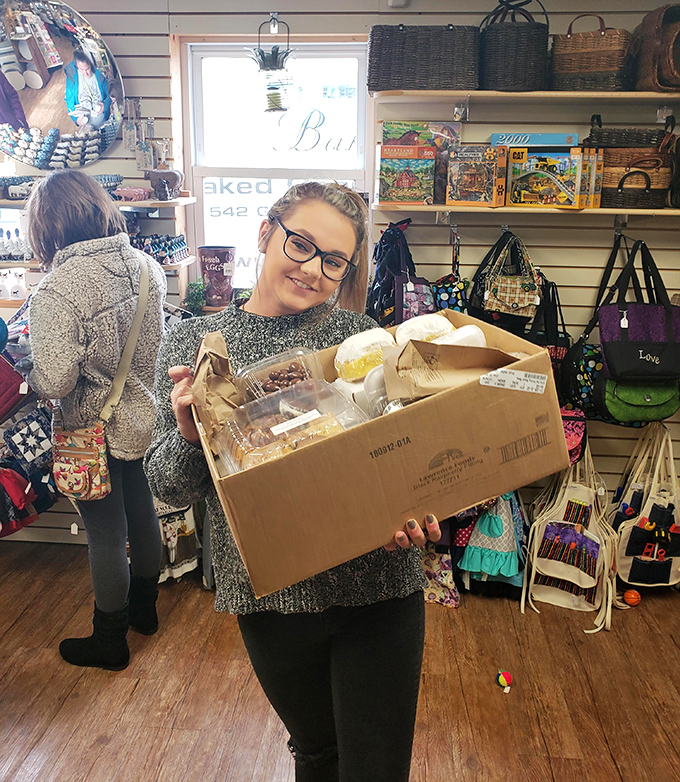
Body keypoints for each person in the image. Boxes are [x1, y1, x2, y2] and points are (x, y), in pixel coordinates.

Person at [144, 181, 441, 781]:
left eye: (334, 261)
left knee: (376, 769)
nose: (313, 270)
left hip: (379, 587)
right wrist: (189, 436)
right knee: (317, 751)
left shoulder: (362, 340)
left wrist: (424, 508)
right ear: (265, 234)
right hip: (271, 595)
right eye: (301, 245)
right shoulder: (195, 344)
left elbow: (408, 454)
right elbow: (168, 487)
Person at [24, 170, 166, 671]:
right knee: (143, 514)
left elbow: (58, 380)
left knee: (105, 536)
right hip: (140, 416)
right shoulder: (147, 265)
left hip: (92, 430)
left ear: (47, 227)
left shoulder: (58, 290)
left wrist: (31, 372)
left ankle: (110, 640)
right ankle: (145, 612)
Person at [64, 49, 110, 130]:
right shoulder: (72, 75)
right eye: (81, 70)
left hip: (101, 117)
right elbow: (69, 99)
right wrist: (76, 120)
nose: (85, 73)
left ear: (91, 64)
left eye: (87, 69)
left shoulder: (100, 74)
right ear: (76, 66)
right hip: (83, 117)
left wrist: (105, 106)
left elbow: (110, 93)